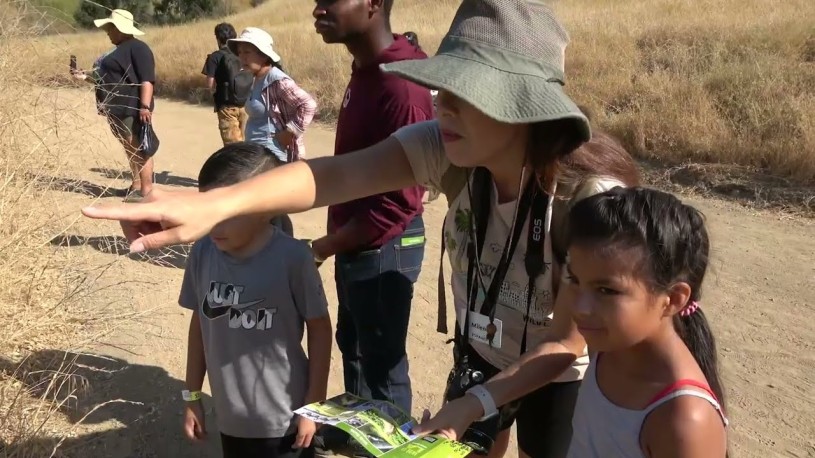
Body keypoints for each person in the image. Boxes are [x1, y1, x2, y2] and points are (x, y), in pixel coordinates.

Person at [81, 2, 640, 456]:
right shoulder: (451, 151)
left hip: (557, 374)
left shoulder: (587, 201)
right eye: (442, 88)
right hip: (482, 350)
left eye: (463, 93)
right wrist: (218, 204)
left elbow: (566, 343)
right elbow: (336, 175)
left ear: (525, 108)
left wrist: (473, 405)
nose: (442, 105)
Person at [310, 0, 434, 453]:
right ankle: (355, 433)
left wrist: (323, 245)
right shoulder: (368, 69)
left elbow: (398, 202)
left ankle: (389, 447)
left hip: (385, 244)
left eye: (330, 0)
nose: (317, 9)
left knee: (381, 362)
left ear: (374, 4)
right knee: (354, 344)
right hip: (357, 242)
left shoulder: (402, 85)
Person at [179, 141, 332, 458]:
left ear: (265, 209)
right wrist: (192, 395)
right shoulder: (203, 253)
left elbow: (320, 329)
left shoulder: (293, 258)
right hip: (231, 419)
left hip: (285, 420)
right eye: (208, 210)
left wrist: (313, 405)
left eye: (227, 212)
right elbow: (200, 324)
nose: (213, 224)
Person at [564, 187, 729, 457]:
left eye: (606, 290)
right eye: (574, 280)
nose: (580, 307)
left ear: (673, 299)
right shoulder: (608, 347)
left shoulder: (685, 420)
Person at [72, 9, 156, 200]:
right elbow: (108, 78)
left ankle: (146, 192)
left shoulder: (139, 48)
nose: (108, 32)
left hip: (131, 107)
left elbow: (147, 80)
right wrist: (84, 76)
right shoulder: (119, 50)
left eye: (110, 28)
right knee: (129, 147)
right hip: (116, 108)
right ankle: (136, 186)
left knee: (139, 147)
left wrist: (144, 106)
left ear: (120, 29)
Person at [228, 27, 317, 163]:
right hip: (257, 154)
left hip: (272, 157)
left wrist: (291, 132)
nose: (242, 57)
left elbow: (308, 105)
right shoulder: (257, 78)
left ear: (264, 55)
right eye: (240, 52)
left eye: (247, 52)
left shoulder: (276, 80)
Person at [202, 22, 250, 145]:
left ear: (218, 39)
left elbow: (210, 84)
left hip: (227, 108)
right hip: (247, 105)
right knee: (248, 144)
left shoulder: (214, 57)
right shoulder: (242, 54)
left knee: (233, 147)